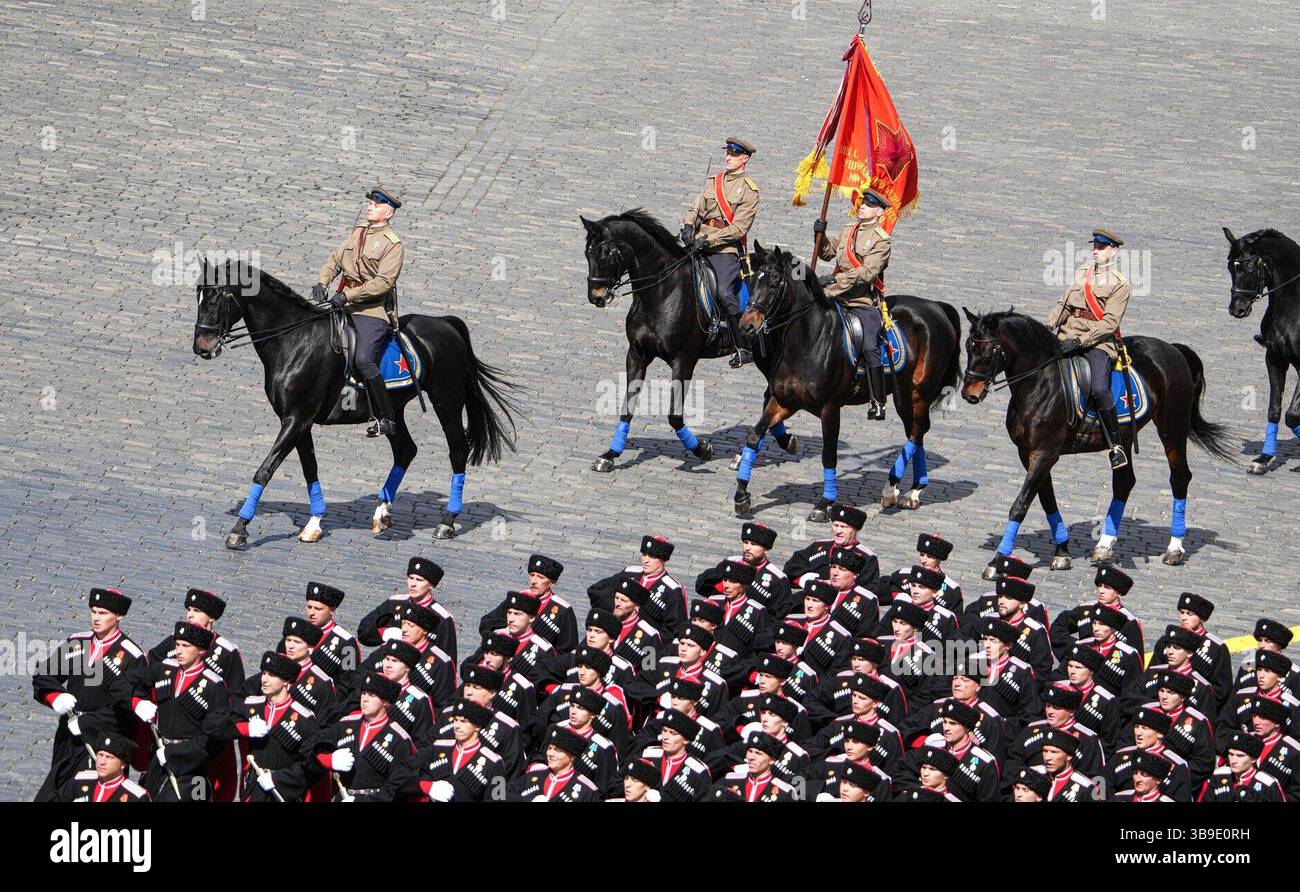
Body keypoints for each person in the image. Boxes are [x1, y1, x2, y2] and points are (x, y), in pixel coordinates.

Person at [33, 587, 144, 802]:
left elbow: (128, 708)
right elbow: (43, 674)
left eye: (103, 613)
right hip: (68, 738)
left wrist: (88, 722)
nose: (96, 618)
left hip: (104, 745)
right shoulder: (77, 642)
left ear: (119, 616)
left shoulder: (132, 656)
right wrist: (55, 697)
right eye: (93, 611)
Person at [313, 186, 405, 436]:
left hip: (371, 310)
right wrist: (323, 282)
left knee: (363, 358)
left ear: (388, 213)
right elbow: (335, 259)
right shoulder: (358, 233)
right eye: (371, 203)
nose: (370, 206)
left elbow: (383, 283)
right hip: (343, 303)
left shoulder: (393, 245)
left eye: (376, 204)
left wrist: (348, 295)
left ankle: (386, 417)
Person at [1046, 227, 1131, 469]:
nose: (1095, 250)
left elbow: (1110, 322)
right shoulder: (1082, 273)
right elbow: (1064, 304)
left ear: (1113, 252)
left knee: (1099, 389)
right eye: (1094, 246)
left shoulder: (1119, 284)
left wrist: (1081, 341)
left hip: (1099, 342)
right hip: (1067, 335)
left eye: (1101, 247)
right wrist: (1049, 324)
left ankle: (1116, 446)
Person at [127, 622, 233, 801]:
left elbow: (216, 737)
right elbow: (125, 680)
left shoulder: (214, 685)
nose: (179, 651)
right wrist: (138, 702)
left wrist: (175, 753)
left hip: (191, 767)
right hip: (158, 756)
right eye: (177, 645)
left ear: (200, 650)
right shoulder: (164, 669)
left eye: (186, 646)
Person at [813, 184, 894, 418]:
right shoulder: (850, 229)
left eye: (869, 205)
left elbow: (866, 273)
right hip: (835, 297)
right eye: (863, 203)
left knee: (870, 345)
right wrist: (820, 235)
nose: (863, 207)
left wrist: (833, 282)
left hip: (860, 301)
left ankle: (878, 400)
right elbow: (829, 253)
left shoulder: (881, 241)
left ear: (879, 212)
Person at [680, 137, 759, 368]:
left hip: (725, 249)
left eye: (734, 155)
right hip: (697, 242)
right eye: (727, 153)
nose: (728, 157)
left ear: (744, 159)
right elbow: (696, 208)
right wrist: (687, 226)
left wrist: (710, 239)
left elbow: (739, 228)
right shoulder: (713, 181)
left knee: (725, 292)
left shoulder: (749, 191)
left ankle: (742, 345)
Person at [231, 651, 320, 802]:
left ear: (286, 681)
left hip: (284, 792)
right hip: (254, 788)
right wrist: (245, 728)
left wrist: (279, 779)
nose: (264, 679)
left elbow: (312, 764)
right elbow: (216, 723)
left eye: (271, 675)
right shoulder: (251, 704)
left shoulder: (305, 718)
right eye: (264, 673)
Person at [357, 557, 458, 661]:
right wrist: (385, 633)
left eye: (419, 580)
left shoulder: (442, 618)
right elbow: (364, 633)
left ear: (431, 585)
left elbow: (447, 661)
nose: (413, 584)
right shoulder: (394, 603)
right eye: (410, 578)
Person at [478, 554, 577, 653]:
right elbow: (487, 623)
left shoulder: (562, 610)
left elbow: (568, 652)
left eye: (540, 577)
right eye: (532, 575)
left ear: (552, 583)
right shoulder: (519, 598)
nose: (534, 581)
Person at [57, 733, 150, 803]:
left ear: (123, 764)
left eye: (109, 757)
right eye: (100, 755)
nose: (102, 762)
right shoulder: (80, 780)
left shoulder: (136, 796)